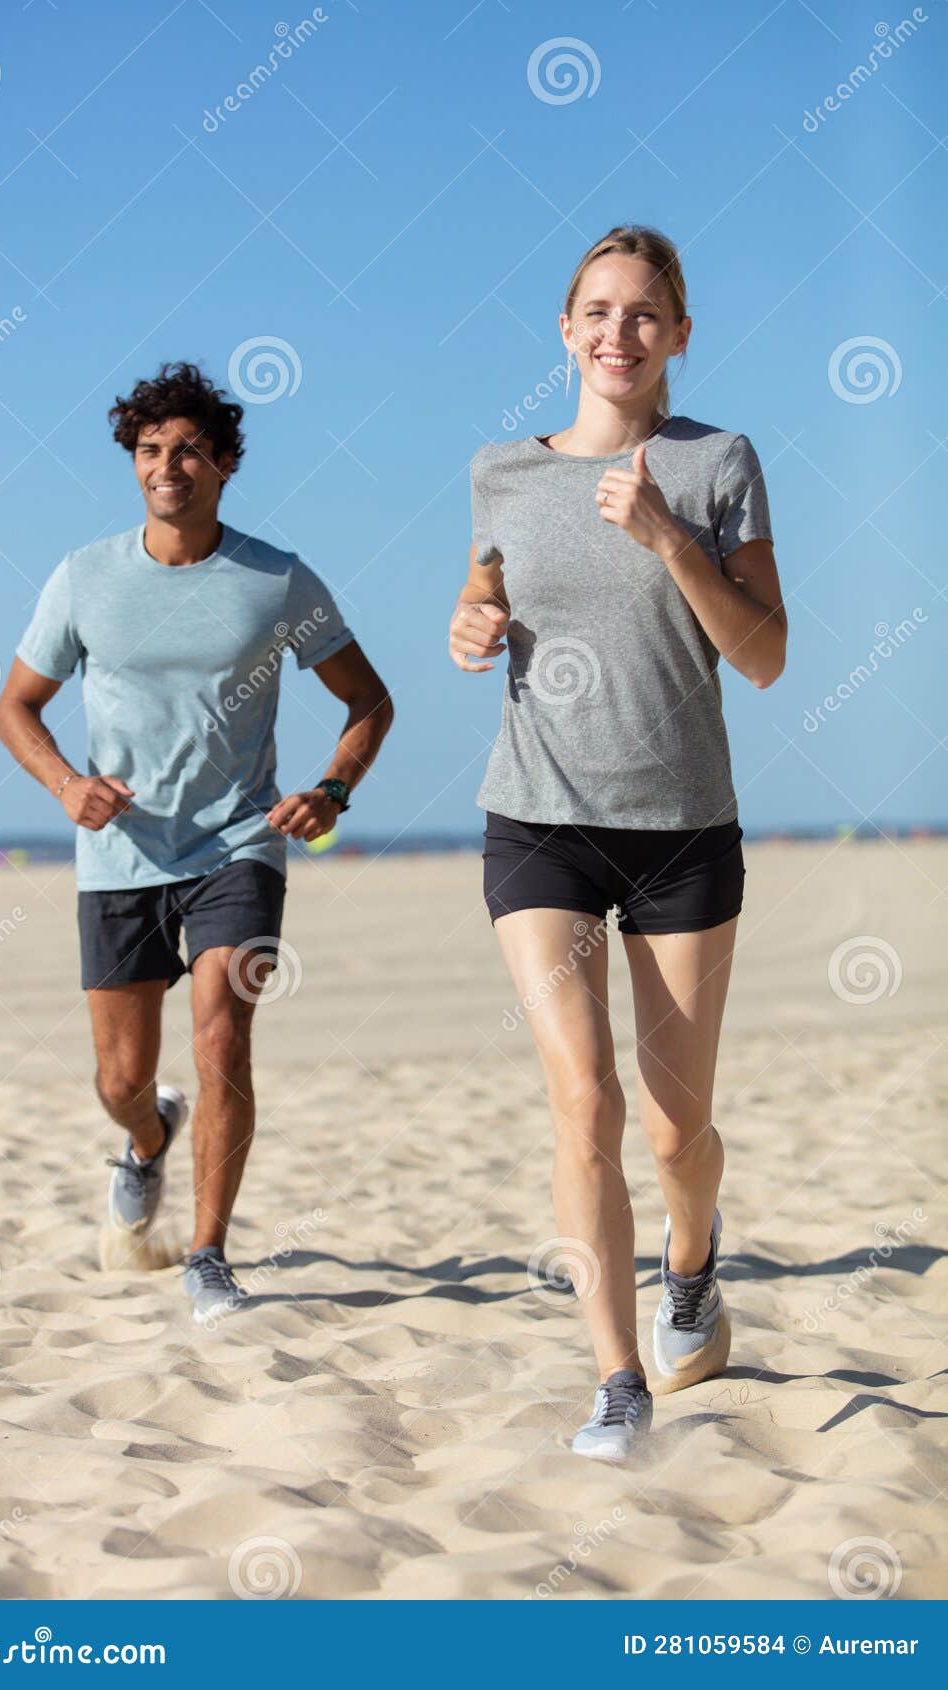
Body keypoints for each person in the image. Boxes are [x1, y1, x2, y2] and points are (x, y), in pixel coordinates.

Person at [449, 226, 786, 1462]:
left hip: (683, 831)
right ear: (563, 329)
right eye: (595, 311)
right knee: (582, 1098)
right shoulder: (501, 470)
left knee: (671, 1127)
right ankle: (616, 1377)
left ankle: (689, 1264)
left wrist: (664, 538)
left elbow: (762, 655)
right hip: (536, 817)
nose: (616, 334)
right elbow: (484, 587)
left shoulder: (716, 464)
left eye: (644, 315)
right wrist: (469, 620)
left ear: (679, 335)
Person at [0, 361, 392, 1325]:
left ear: (223, 464)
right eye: (149, 451)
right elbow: (17, 707)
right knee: (120, 1080)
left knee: (223, 1037)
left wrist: (332, 788)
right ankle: (145, 1142)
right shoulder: (85, 577)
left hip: (239, 845)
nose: (167, 466)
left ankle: (208, 1254)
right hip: (120, 855)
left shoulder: (276, 579)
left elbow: (368, 699)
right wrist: (66, 784)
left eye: (187, 451)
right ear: (133, 463)